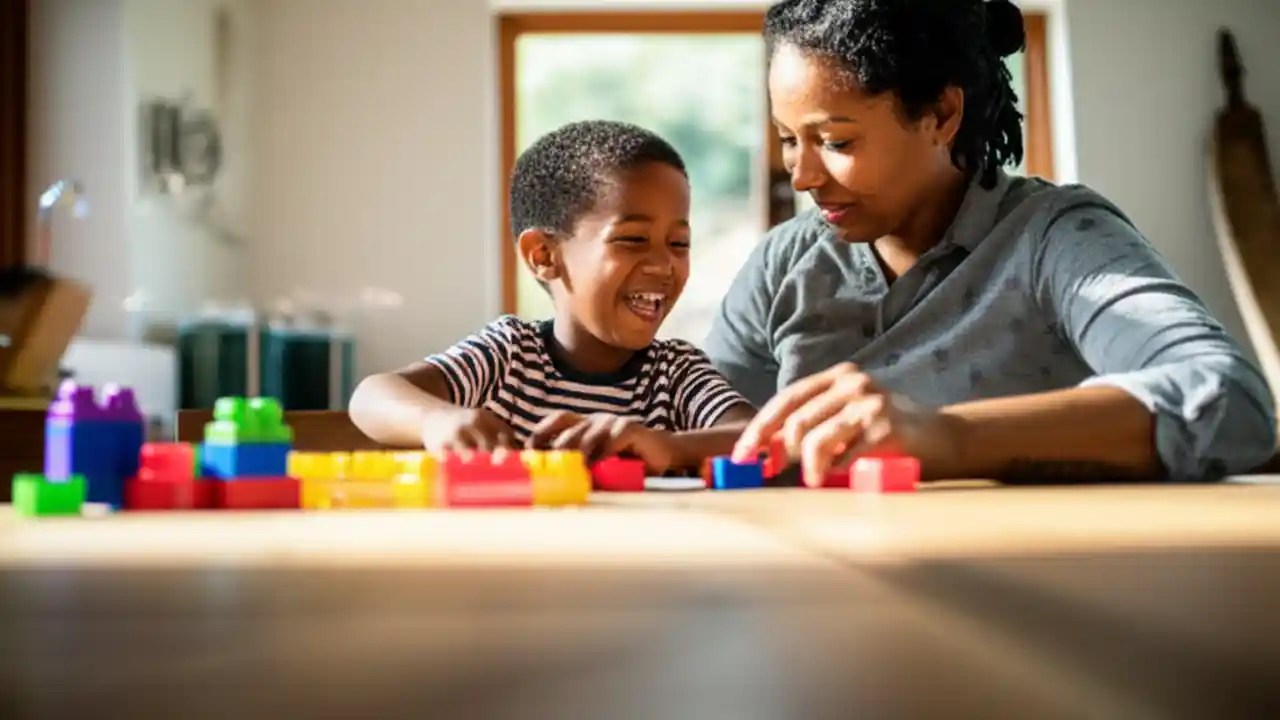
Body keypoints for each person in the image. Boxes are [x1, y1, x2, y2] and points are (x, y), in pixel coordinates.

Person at [707, 0, 1277, 483]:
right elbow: (709, 426)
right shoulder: (784, 263)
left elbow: (1229, 400)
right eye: (787, 138)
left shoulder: (1053, 237)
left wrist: (947, 436)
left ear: (941, 114)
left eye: (835, 141)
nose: (802, 175)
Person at [350, 120, 754, 472]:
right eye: (632, 239)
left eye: (679, 243)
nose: (663, 265)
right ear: (544, 255)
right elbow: (371, 396)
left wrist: (668, 446)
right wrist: (437, 420)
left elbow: (756, 436)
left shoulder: (674, 373)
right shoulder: (509, 356)